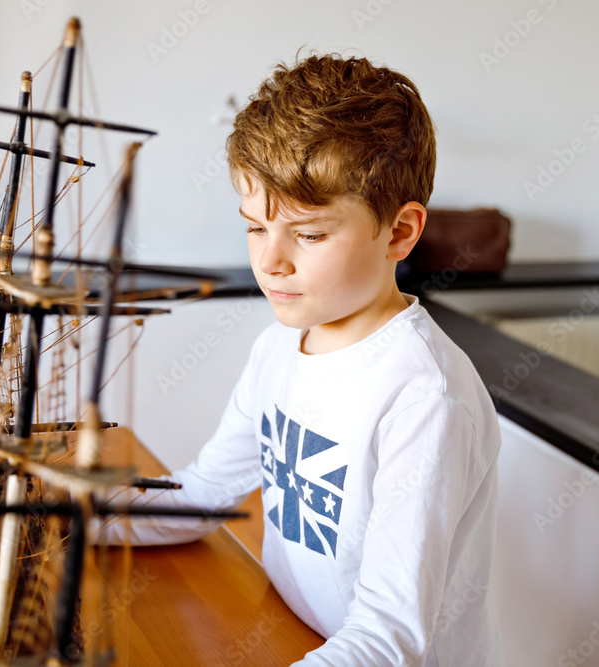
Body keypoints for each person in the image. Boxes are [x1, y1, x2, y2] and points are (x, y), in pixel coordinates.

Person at [91, 51, 505, 666]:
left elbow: (387, 638)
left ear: (399, 232)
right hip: (293, 634)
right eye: (256, 228)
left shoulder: (424, 398)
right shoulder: (281, 345)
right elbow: (206, 494)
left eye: (309, 235)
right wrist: (69, 522)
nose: (270, 261)